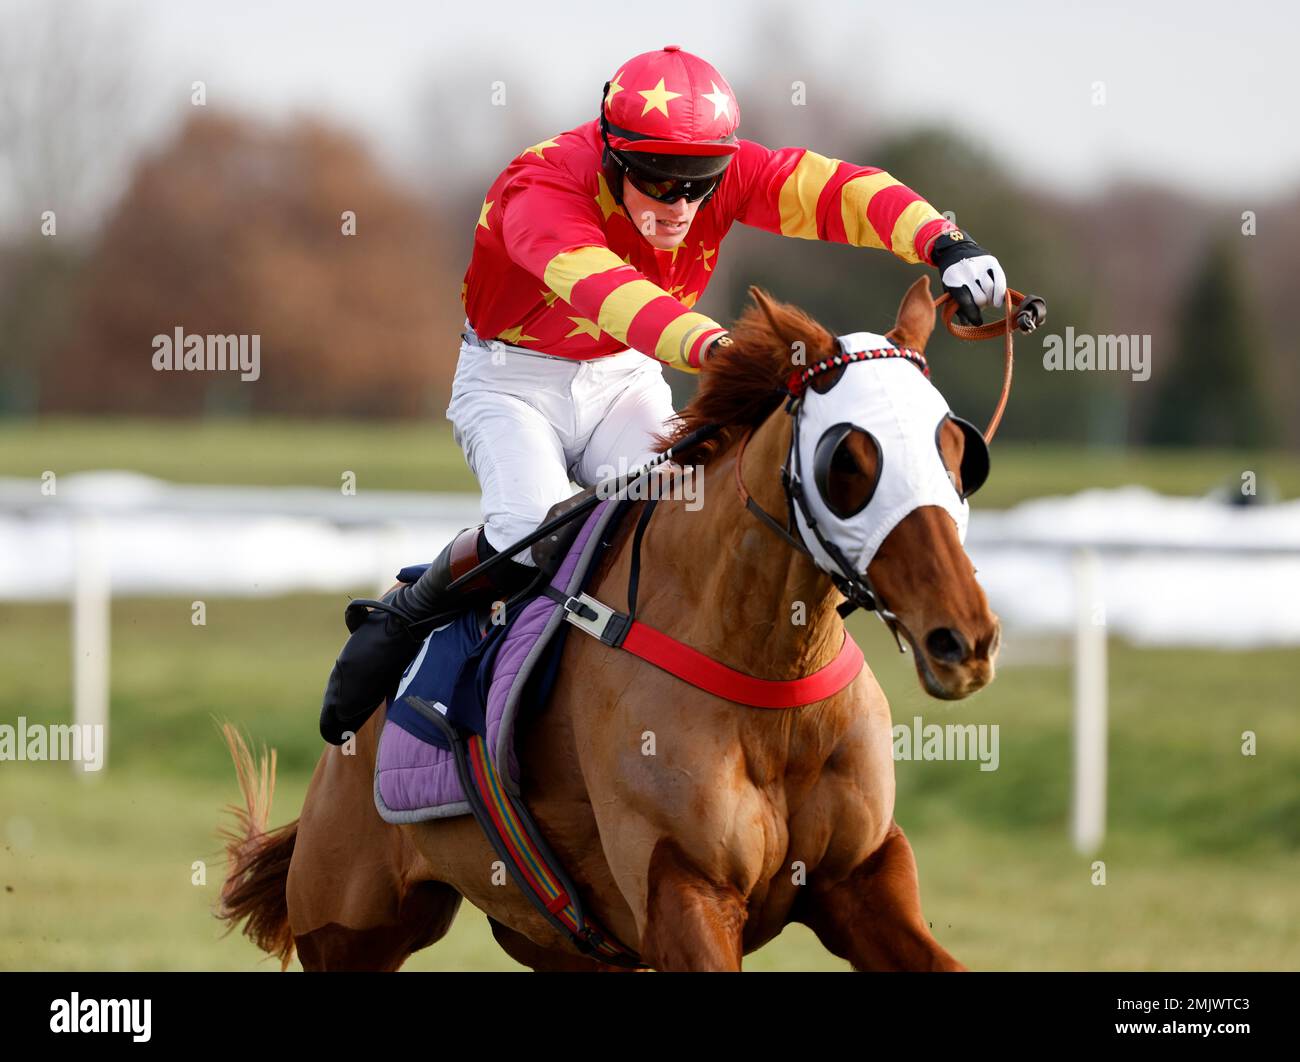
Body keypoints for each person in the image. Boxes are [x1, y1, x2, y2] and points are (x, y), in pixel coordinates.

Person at [319, 44, 1007, 742]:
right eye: (658, 180)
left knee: (678, 525)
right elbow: (607, 294)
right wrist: (711, 346)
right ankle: (406, 614)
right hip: (513, 383)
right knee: (530, 534)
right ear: (612, 157)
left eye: (700, 181)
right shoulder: (538, 188)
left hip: (622, 376)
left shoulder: (720, 176)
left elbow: (837, 193)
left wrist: (946, 242)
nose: (681, 202)